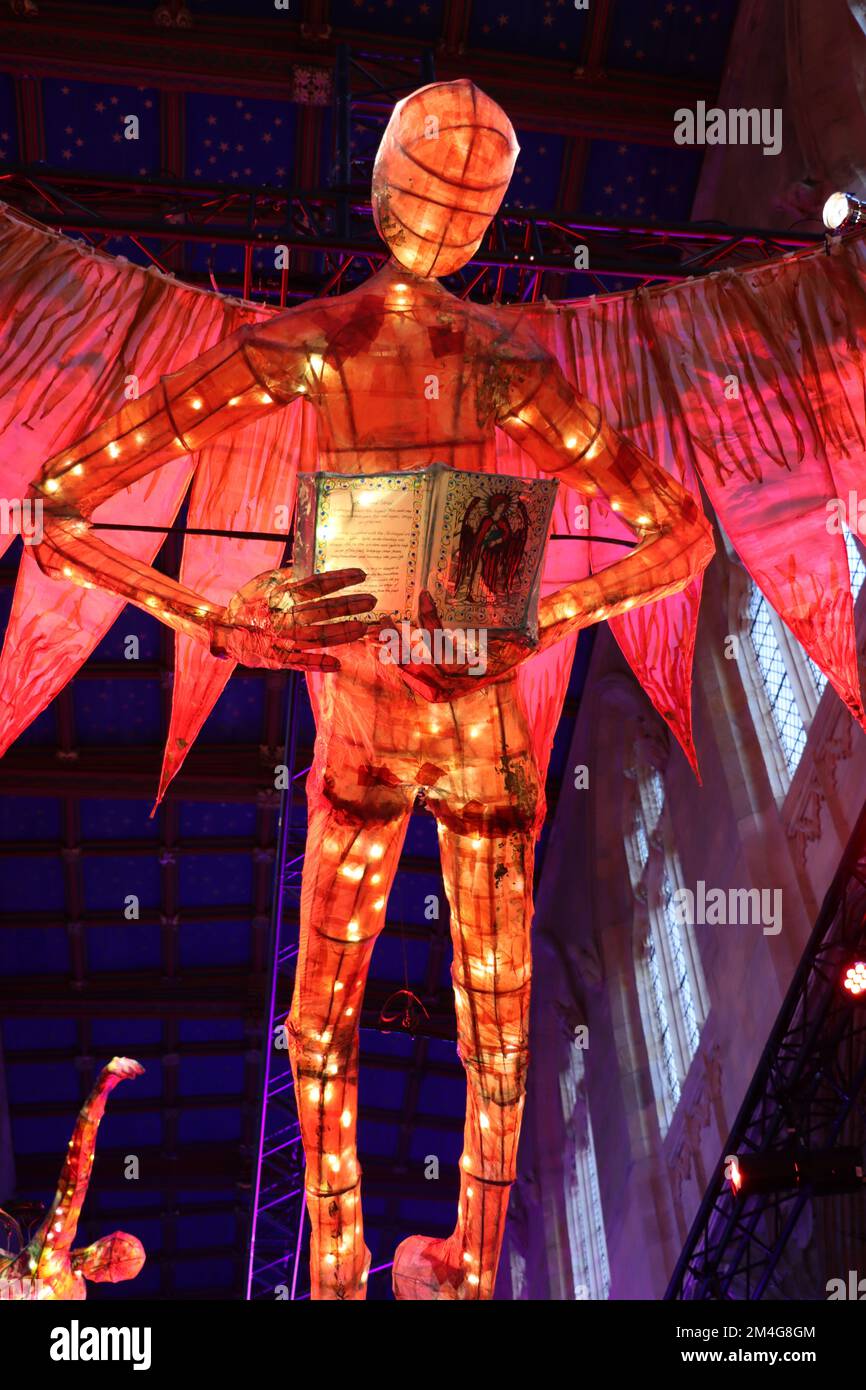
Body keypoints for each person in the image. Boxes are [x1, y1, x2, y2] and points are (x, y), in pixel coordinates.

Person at [29, 80, 713, 1299]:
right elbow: (58, 511)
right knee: (457, 1022)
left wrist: (228, 619)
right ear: (396, 187)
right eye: (439, 184)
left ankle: (383, 1271)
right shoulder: (389, 351)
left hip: (400, 727)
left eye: (471, 191)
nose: (448, 213)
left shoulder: (344, 348)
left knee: (390, 1020)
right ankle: (422, 1268)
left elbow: (58, 512)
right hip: (432, 725)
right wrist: (229, 615)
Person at [0, 1057, 145, 1299]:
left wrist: (104, 1085)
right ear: (110, 1279)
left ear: (102, 1244)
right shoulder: (76, 1293)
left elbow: (77, 1175)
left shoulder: (55, 1254)